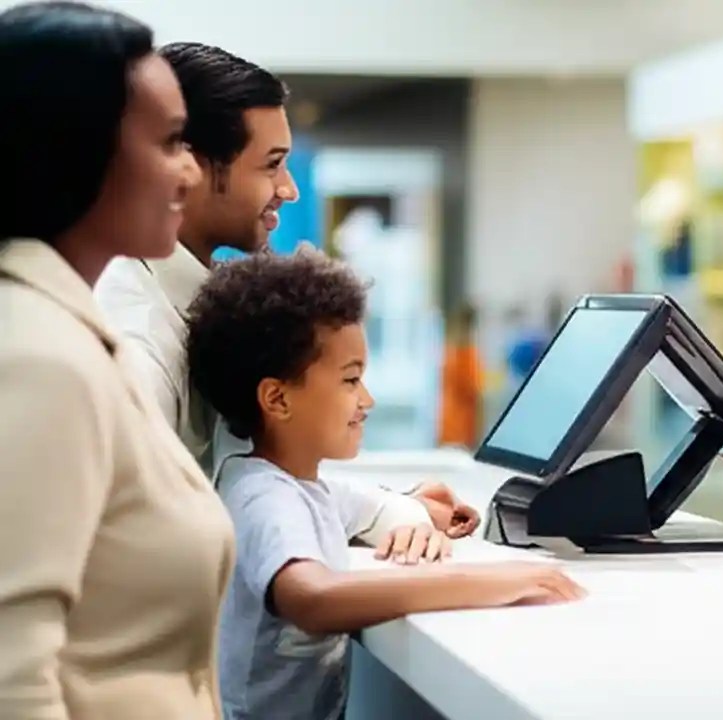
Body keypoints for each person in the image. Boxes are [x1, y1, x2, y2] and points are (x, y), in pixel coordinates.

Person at [93, 41, 480, 549]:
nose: (289, 188)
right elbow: (149, 536)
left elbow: (240, 486)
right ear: (186, 169)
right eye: (271, 165)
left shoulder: (189, 300)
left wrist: (386, 507)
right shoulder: (133, 339)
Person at [187, 251, 586, 720]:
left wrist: (419, 508)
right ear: (277, 398)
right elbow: (312, 599)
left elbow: (360, 505)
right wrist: (495, 583)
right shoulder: (264, 497)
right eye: (351, 380)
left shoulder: (291, 481)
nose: (367, 399)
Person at [0, 2, 229, 717]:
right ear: (74, 148)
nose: (190, 173)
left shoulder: (72, 330)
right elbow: (13, 682)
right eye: (168, 143)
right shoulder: (41, 358)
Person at [438, 301, 484, 448]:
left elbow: (475, 395)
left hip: (457, 430)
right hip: (454, 429)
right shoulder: (458, 353)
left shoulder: (461, 354)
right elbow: (475, 394)